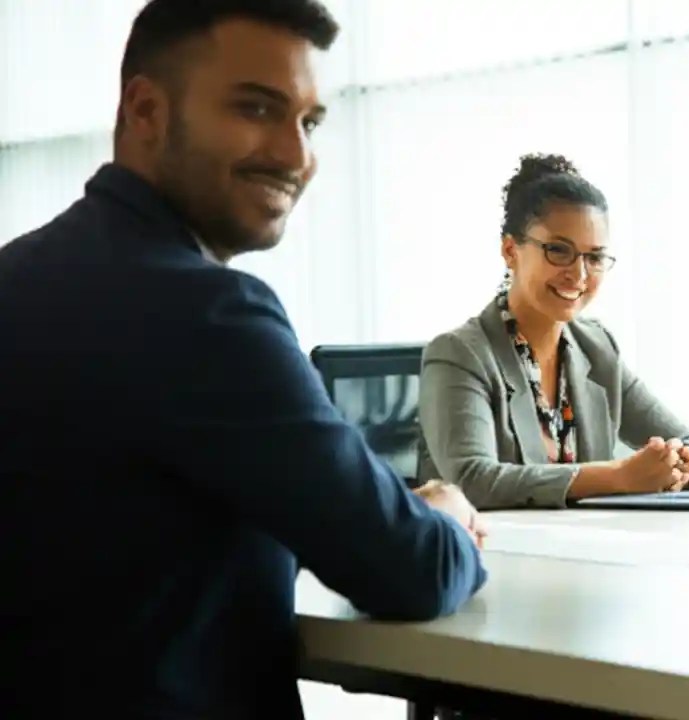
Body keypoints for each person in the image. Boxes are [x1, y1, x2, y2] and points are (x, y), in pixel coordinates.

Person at [0, 1, 486, 717]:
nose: (296, 156)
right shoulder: (204, 312)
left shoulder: (20, 276)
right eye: (257, 108)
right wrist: (447, 515)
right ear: (145, 111)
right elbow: (411, 569)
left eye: (310, 122)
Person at [419, 153, 689, 509]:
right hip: (490, 554)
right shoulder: (459, 353)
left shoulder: (596, 348)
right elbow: (472, 480)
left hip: (586, 550)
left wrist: (680, 464)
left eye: (594, 257)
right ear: (510, 250)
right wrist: (618, 477)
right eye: (559, 250)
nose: (578, 275)